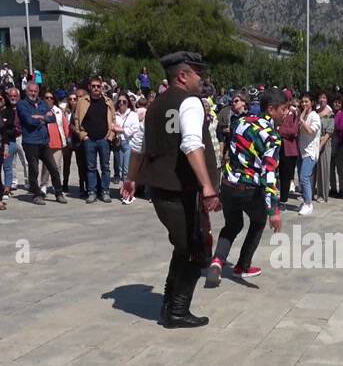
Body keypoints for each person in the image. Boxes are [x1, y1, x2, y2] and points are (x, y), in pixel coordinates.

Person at [130, 51, 220, 328]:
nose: (202, 78)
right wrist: (207, 186)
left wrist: (131, 178)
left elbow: (138, 145)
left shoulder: (155, 105)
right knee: (194, 250)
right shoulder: (190, 102)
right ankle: (177, 312)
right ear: (182, 76)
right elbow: (191, 144)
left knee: (183, 247)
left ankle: (170, 304)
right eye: (197, 73)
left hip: (160, 189)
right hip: (180, 190)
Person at [208, 87, 287, 286]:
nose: (286, 113)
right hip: (249, 188)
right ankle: (242, 266)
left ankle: (217, 261)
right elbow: (269, 174)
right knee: (259, 221)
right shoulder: (271, 137)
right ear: (271, 109)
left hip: (228, 184)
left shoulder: (242, 122)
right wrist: (273, 210)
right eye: (283, 109)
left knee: (232, 225)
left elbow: (231, 154)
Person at [16, 81, 65, 204]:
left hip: (44, 142)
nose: (33, 93)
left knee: (53, 168)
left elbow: (52, 118)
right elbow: (28, 121)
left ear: (38, 92)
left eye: (35, 91)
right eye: (31, 91)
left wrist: (39, 117)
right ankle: (36, 194)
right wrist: (43, 117)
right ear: (26, 91)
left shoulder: (43, 103)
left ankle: (59, 193)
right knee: (34, 169)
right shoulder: (22, 104)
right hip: (30, 142)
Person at [73, 76, 115, 203]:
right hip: (89, 140)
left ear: (102, 87)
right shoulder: (82, 101)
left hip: (104, 139)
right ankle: (92, 192)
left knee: (105, 167)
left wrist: (110, 136)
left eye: (98, 86)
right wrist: (83, 136)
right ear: (89, 87)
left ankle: (105, 191)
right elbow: (76, 119)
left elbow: (113, 120)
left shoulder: (108, 102)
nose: (96, 88)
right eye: (94, 86)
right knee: (90, 167)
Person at [41, 89, 70, 199]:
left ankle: (56, 185)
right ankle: (43, 185)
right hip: (46, 142)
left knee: (56, 166)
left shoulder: (58, 111)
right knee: (46, 166)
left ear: (54, 100)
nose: (49, 99)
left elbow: (65, 125)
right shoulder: (40, 110)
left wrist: (66, 138)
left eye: (51, 98)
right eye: (47, 98)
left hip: (58, 142)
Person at [296, 92, 321, 215]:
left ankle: (308, 204)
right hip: (302, 151)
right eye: (302, 101)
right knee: (302, 178)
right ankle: (306, 200)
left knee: (304, 177)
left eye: (306, 101)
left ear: (312, 102)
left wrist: (302, 120)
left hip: (310, 152)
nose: (304, 104)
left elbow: (311, 131)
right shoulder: (304, 115)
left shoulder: (315, 116)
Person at [276, 92, 301, 207]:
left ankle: (283, 200)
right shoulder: (279, 112)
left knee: (286, 176)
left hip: (289, 150)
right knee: (278, 175)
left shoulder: (294, 114)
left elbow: (294, 131)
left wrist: (279, 129)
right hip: (278, 148)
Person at [112, 93, 140, 184]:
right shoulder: (114, 115)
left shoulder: (133, 114)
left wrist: (122, 130)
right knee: (120, 168)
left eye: (124, 101)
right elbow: (112, 126)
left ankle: (127, 189)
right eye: (119, 101)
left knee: (126, 170)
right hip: (117, 142)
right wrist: (115, 128)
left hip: (129, 143)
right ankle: (124, 187)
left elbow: (135, 128)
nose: (121, 103)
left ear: (128, 103)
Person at [314, 92, 334, 202]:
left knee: (324, 169)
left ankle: (322, 194)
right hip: (314, 143)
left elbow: (329, 132)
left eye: (324, 97)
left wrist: (321, 145)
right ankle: (310, 192)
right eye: (320, 97)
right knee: (313, 170)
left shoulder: (330, 114)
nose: (322, 99)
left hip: (325, 144)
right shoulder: (315, 112)